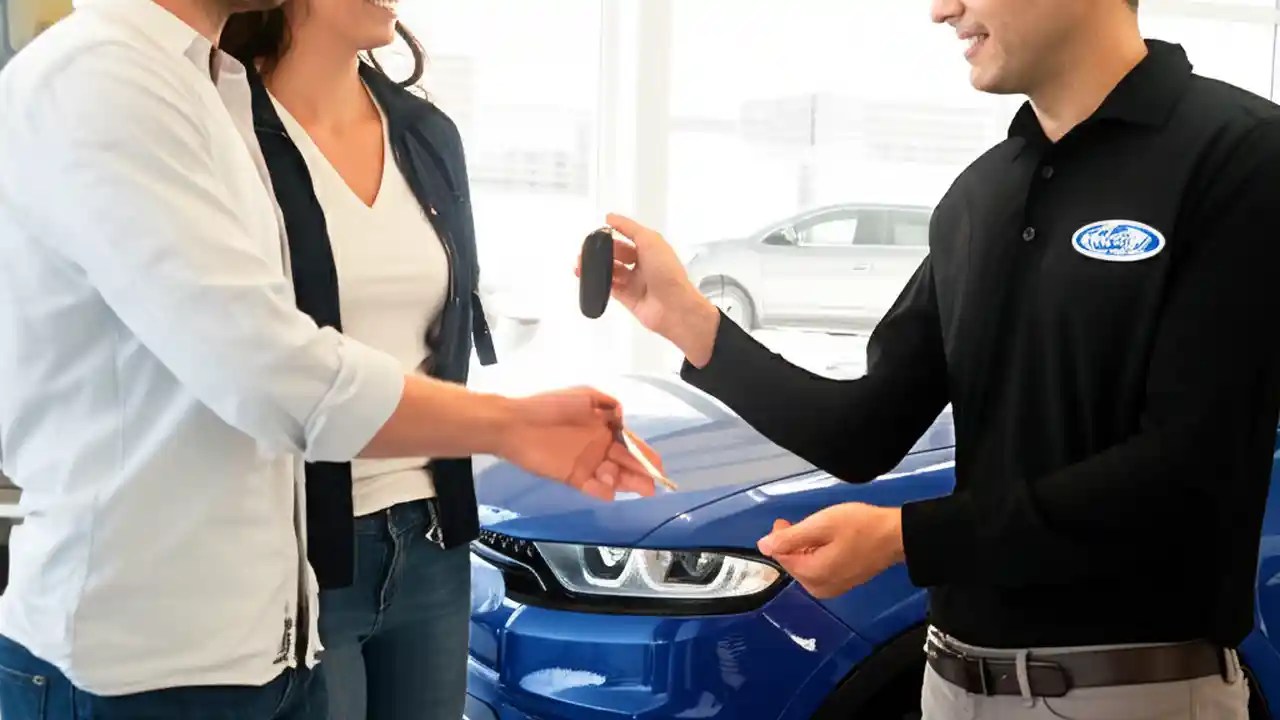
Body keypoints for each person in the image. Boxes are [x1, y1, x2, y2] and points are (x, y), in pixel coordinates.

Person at [592, 0, 1280, 717]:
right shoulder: (981, 194)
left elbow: (1187, 474)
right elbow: (864, 430)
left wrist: (903, 538)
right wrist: (688, 321)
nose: (941, 9)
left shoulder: (1243, 157)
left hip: (1138, 692)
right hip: (950, 688)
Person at [0, 0, 657, 717]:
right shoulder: (104, 78)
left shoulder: (199, 82)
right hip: (131, 655)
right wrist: (509, 425)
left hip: (258, 630)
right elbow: (273, 373)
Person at [219, 8, 650, 720]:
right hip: (292, 548)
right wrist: (514, 426)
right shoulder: (224, 129)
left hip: (431, 539)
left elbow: (448, 332)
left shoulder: (425, 133)